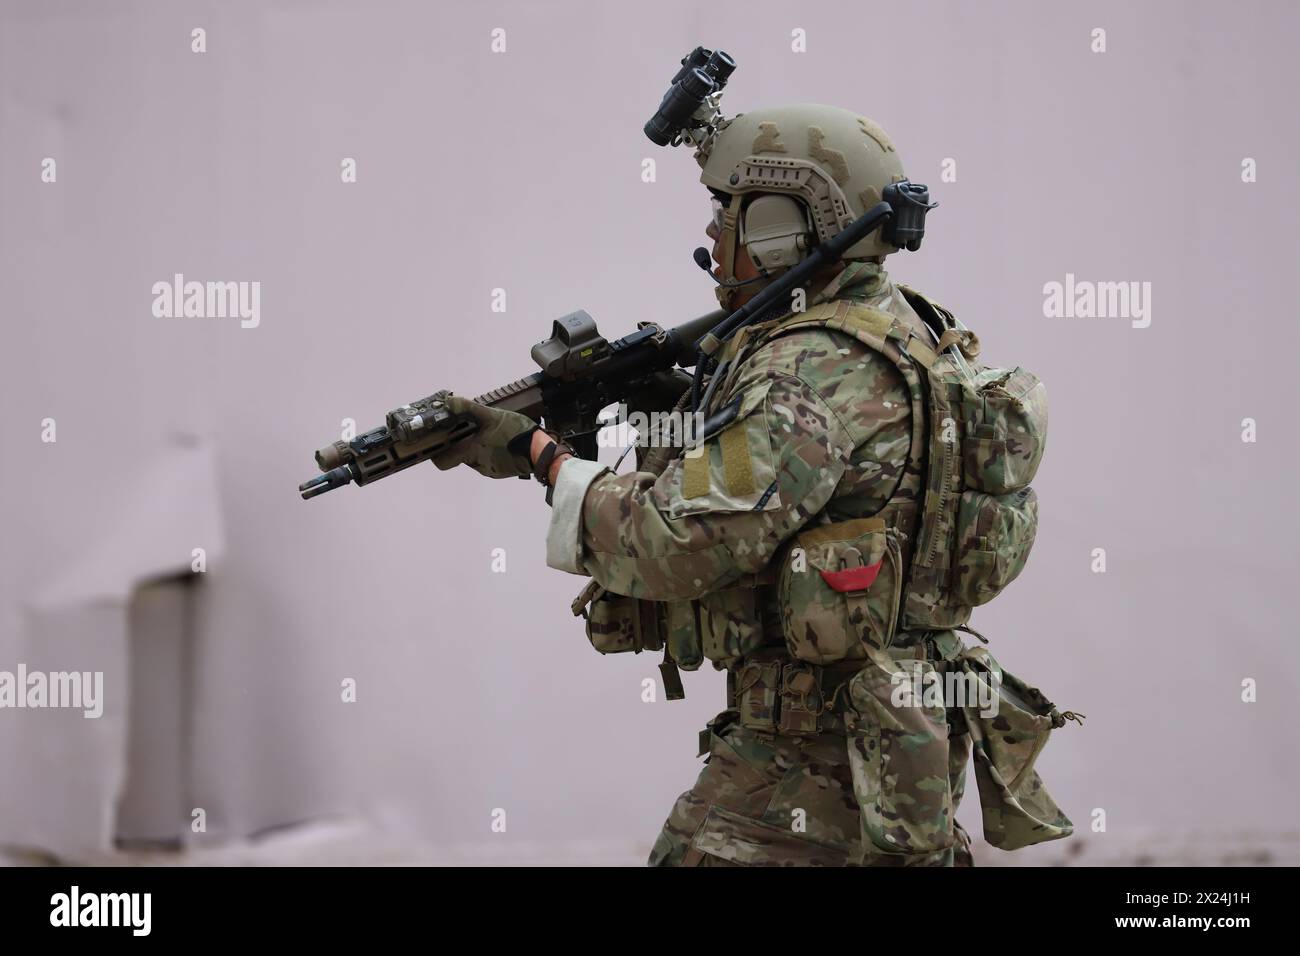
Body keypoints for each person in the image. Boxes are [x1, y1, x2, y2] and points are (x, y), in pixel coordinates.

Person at [434, 104, 1073, 866]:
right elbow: (829, 474)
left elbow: (668, 541)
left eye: (727, 210)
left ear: (785, 224)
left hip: (806, 764)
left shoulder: (801, 369)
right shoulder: (908, 328)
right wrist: (684, 410)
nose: (713, 233)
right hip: (899, 740)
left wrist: (539, 457)